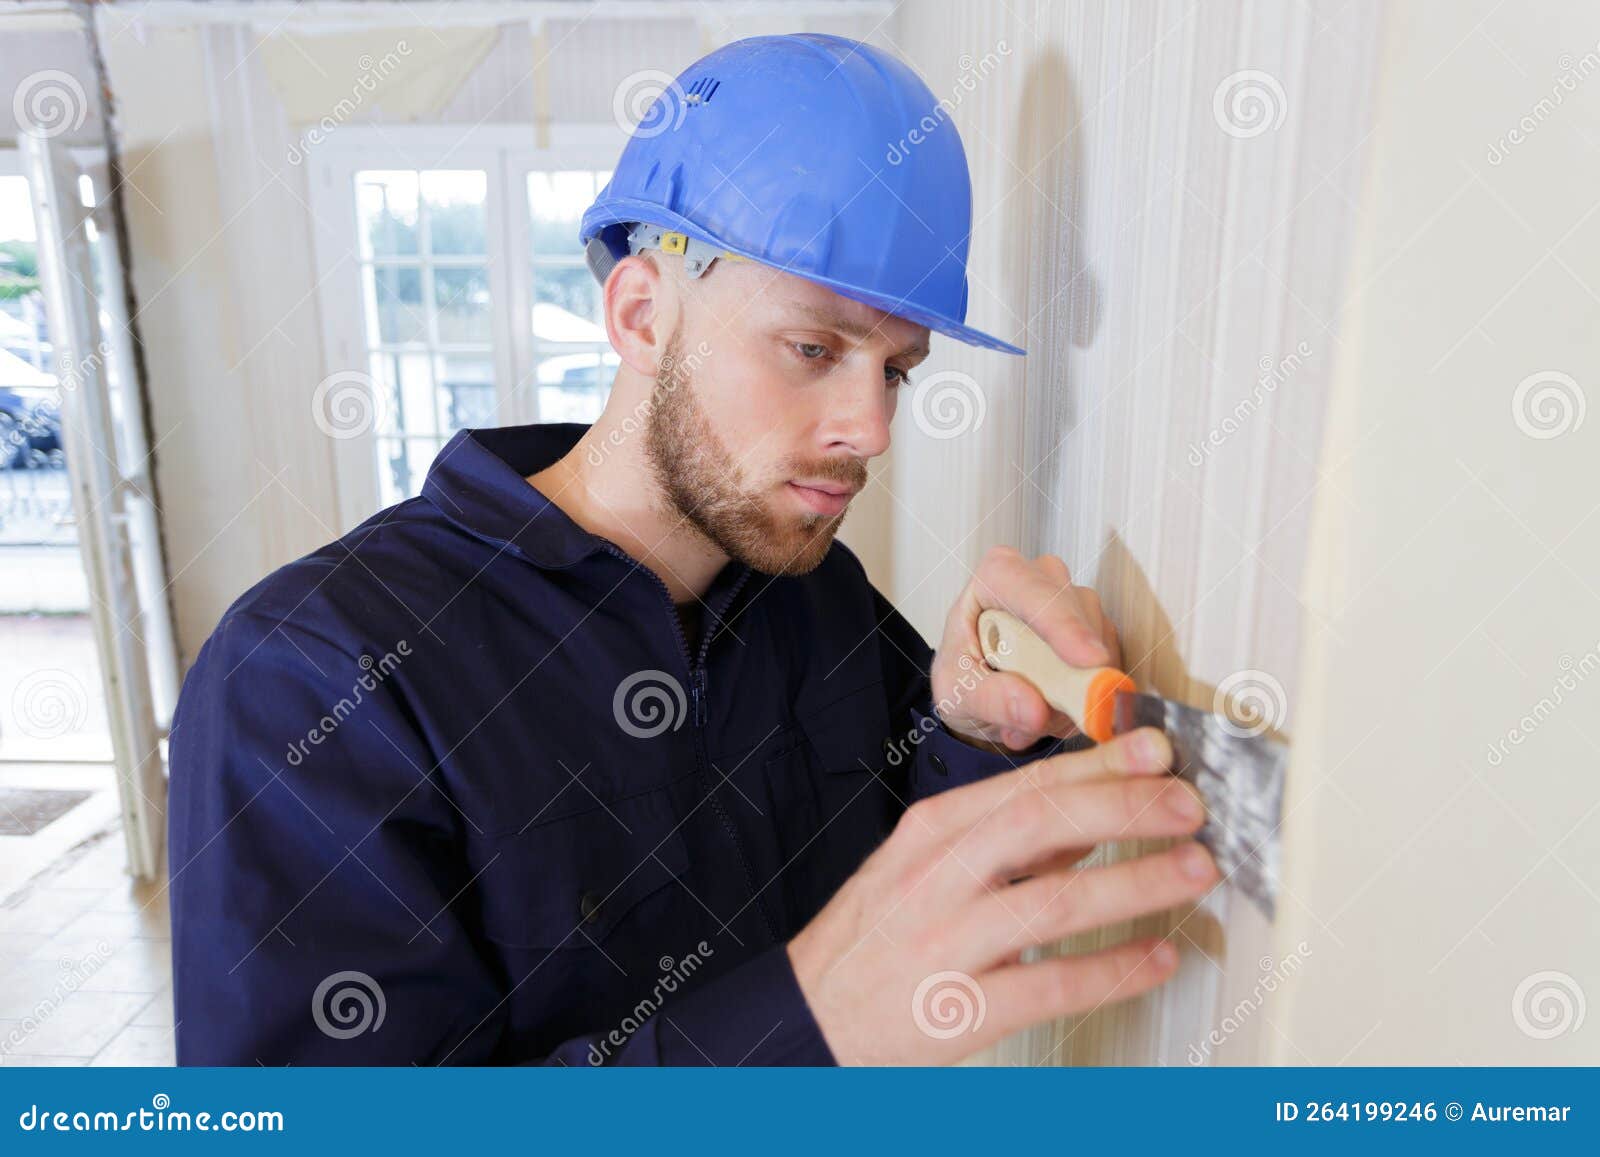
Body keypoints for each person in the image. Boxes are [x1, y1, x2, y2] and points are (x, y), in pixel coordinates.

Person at [169, 32, 1216, 1066]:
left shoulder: (819, 598)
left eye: (896, 369)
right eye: (813, 347)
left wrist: (972, 731)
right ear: (641, 315)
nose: (871, 429)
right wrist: (801, 1023)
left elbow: (912, 902)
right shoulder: (314, 672)